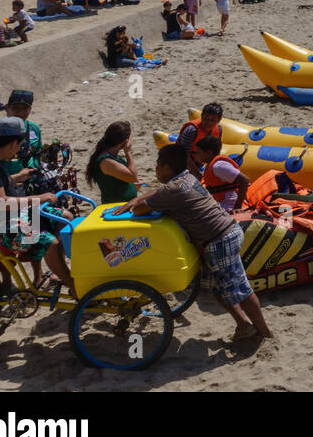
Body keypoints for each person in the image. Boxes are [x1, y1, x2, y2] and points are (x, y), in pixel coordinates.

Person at [113, 143, 271, 342]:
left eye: (158, 165)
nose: (156, 169)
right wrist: (134, 200)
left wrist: (135, 204)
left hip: (219, 240)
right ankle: (243, 326)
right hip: (226, 232)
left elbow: (141, 209)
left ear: (167, 168)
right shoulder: (187, 177)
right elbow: (156, 194)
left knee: (241, 290)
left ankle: (265, 334)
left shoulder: (172, 189)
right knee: (217, 288)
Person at [0, 117, 75, 294]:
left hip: (11, 213)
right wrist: (38, 198)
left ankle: (55, 269)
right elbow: (0, 202)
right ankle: (72, 285)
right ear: (13, 142)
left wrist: (17, 177)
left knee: (65, 217)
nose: (19, 150)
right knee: (50, 243)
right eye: (19, 145)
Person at [85, 120, 139, 204]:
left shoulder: (113, 156)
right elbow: (132, 177)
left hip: (124, 205)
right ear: (125, 141)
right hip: (116, 208)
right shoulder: (106, 161)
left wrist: (133, 187)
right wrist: (128, 152)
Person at [196, 136, 250, 211]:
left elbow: (244, 180)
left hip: (229, 206)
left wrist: (237, 207)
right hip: (221, 203)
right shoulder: (213, 165)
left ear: (209, 153)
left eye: (198, 152)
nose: (196, 155)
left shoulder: (218, 166)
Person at [178, 103, 223, 178]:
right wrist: (197, 173)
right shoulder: (191, 130)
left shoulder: (219, 130)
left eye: (212, 120)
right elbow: (183, 154)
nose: (208, 123)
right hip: (181, 162)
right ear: (201, 116)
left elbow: (216, 153)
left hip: (199, 162)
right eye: (206, 118)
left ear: (219, 119)